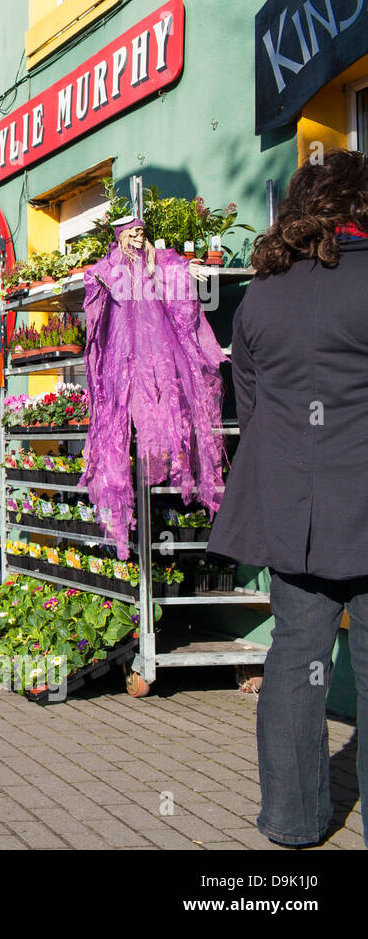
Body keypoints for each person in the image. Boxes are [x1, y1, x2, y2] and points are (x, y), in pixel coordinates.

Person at [208, 149, 368, 849]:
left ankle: (292, 821)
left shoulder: (262, 297)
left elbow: (252, 410)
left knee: (296, 661)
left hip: (294, 517)